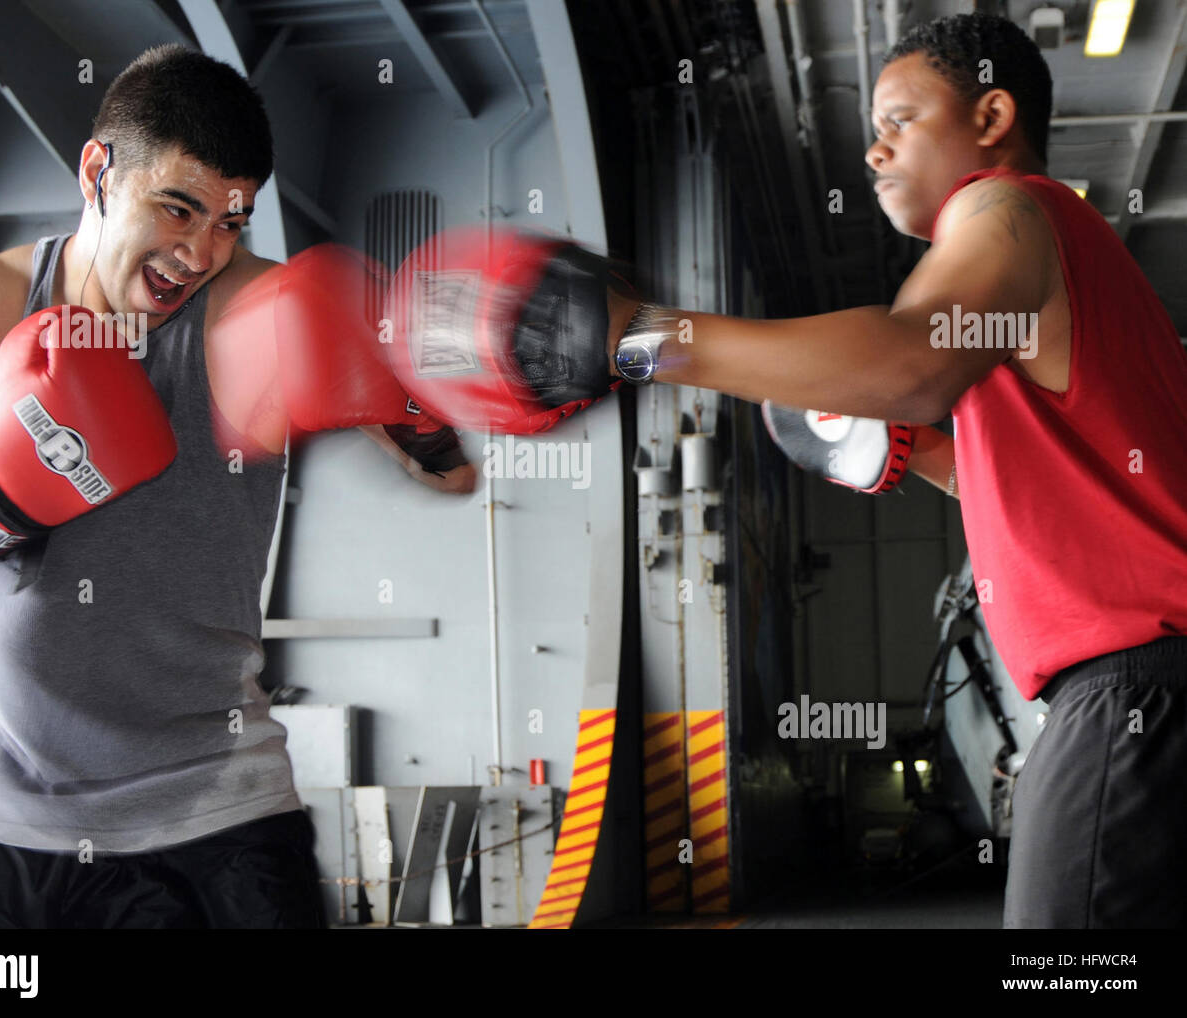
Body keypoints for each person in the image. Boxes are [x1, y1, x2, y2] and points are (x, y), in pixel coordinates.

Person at [384, 13, 1187, 928]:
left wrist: (635, 336)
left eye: (901, 120)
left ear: (993, 115)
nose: (877, 152)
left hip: (1132, 686)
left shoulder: (1008, 208)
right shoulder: (1080, 276)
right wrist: (901, 448)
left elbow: (909, 363)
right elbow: (1043, 477)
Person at [0, 44, 473, 929]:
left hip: (220, 823)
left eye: (231, 222)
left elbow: (452, 471)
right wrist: (5, 487)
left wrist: (413, 398)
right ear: (99, 171)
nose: (199, 251)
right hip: (2, 820)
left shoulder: (265, 319)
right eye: (178, 208)